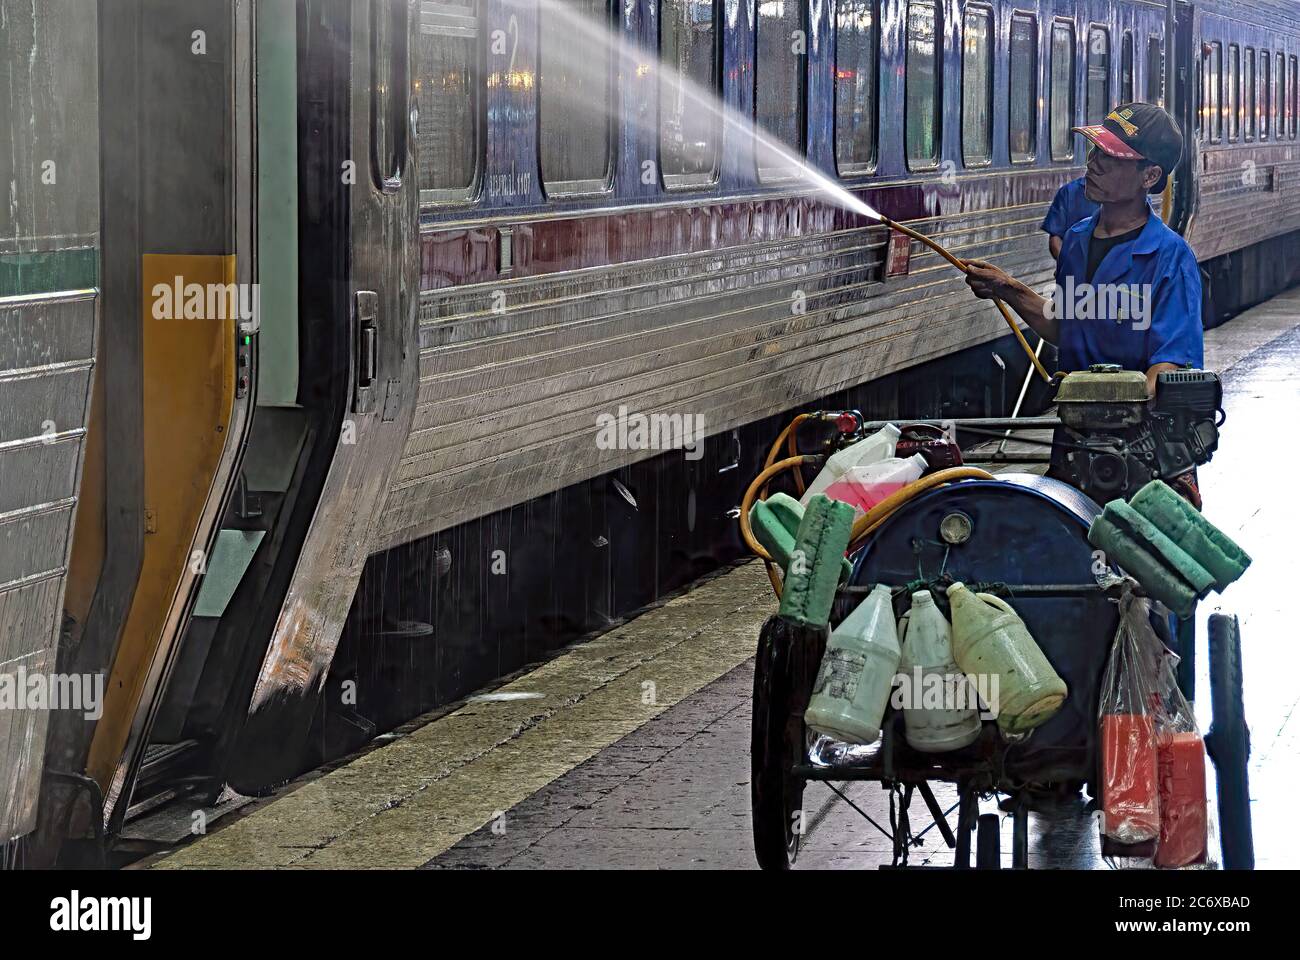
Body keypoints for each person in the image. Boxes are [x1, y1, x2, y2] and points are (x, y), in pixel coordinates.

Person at [964, 102, 1205, 506]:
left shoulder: (1169, 258)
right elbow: (1068, 325)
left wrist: (1106, 406)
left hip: (1140, 456)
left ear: (1149, 176)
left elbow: (1167, 368)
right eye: (1095, 151)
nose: (1093, 163)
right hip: (1076, 446)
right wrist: (1007, 288)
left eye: (1111, 158)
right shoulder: (1076, 240)